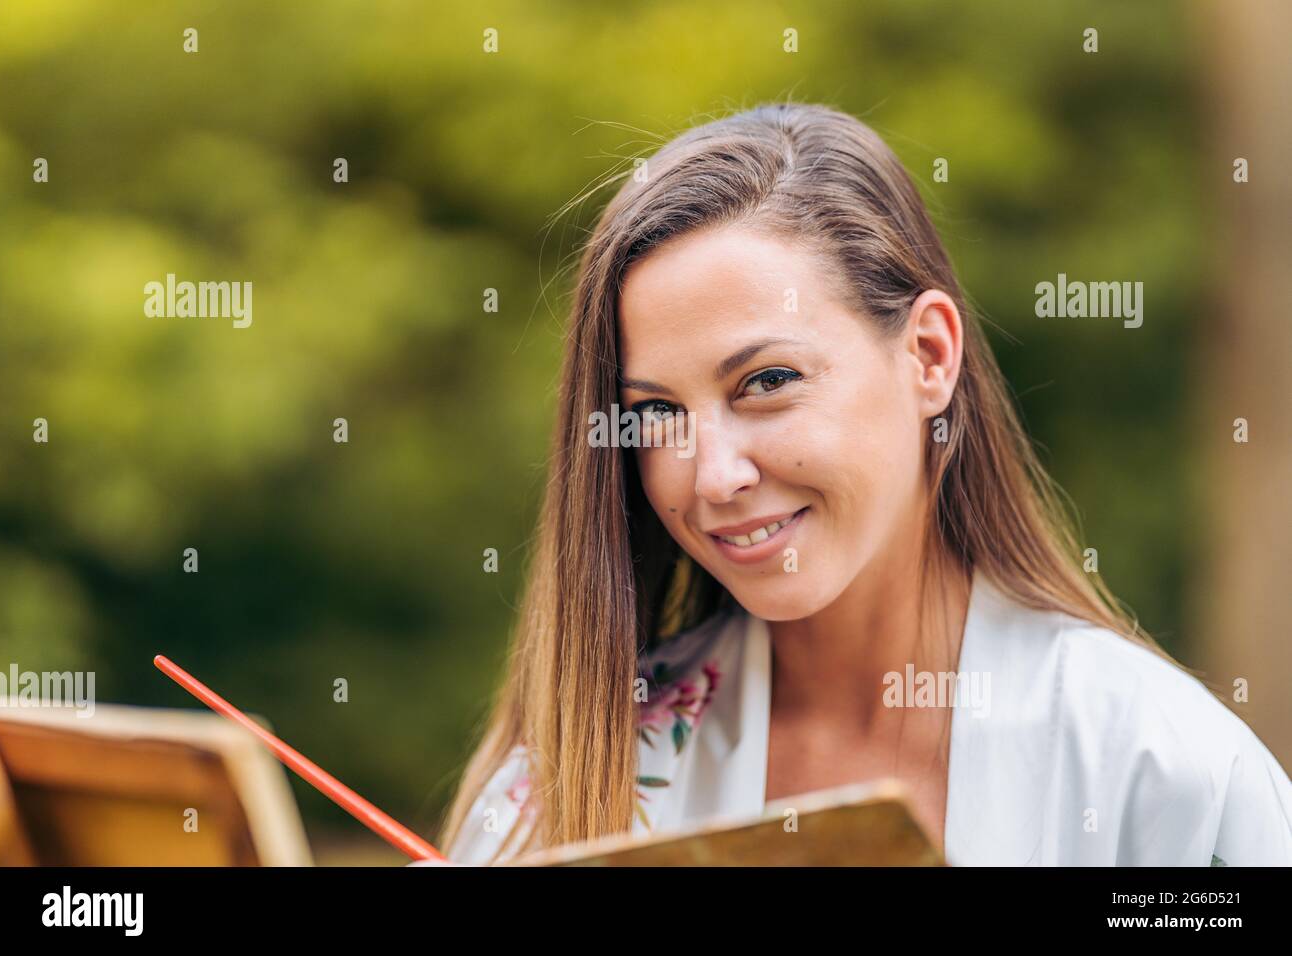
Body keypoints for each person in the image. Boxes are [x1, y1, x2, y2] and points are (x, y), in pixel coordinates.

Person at [434, 102, 1292, 866]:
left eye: (766, 382)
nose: (716, 476)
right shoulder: (566, 796)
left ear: (929, 356)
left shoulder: (1167, 773)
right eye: (657, 413)